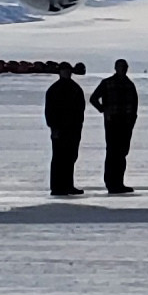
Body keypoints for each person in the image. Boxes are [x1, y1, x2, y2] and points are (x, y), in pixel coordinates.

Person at [92, 60, 140, 196]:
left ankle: (119, 182)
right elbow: (94, 98)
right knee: (113, 153)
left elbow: (134, 105)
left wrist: (132, 120)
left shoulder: (129, 85)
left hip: (126, 123)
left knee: (122, 153)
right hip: (112, 122)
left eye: (124, 67)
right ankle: (111, 183)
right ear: (115, 68)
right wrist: (104, 110)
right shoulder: (108, 83)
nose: (122, 70)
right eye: (120, 67)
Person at [43, 65, 87, 198]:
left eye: (68, 71)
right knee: (58, 158)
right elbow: (49, 110)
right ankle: (57, 187)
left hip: (73, 128)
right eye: (64, 71)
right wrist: (53, 127)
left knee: (71, 157)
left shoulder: (75, 88)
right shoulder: (54, 89)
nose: (66, 73)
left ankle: (68, 185)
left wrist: (79, 124)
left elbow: (81, 108)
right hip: (59, 128)